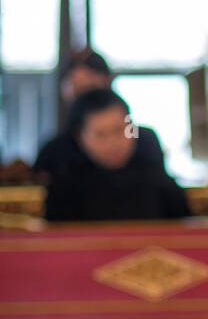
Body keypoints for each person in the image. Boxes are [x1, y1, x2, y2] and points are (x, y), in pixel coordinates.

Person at [44, 89, 190, 222]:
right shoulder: (65, 188)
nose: (112, 143)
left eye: (119, 130)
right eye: (100, 135)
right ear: (80, 137)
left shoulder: (157, 179)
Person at [33, 48, 165, 181]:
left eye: (91, 89)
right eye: (78, 90)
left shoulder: (143, 141)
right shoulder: (54, 151)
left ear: (108, 83)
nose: (111, 143)